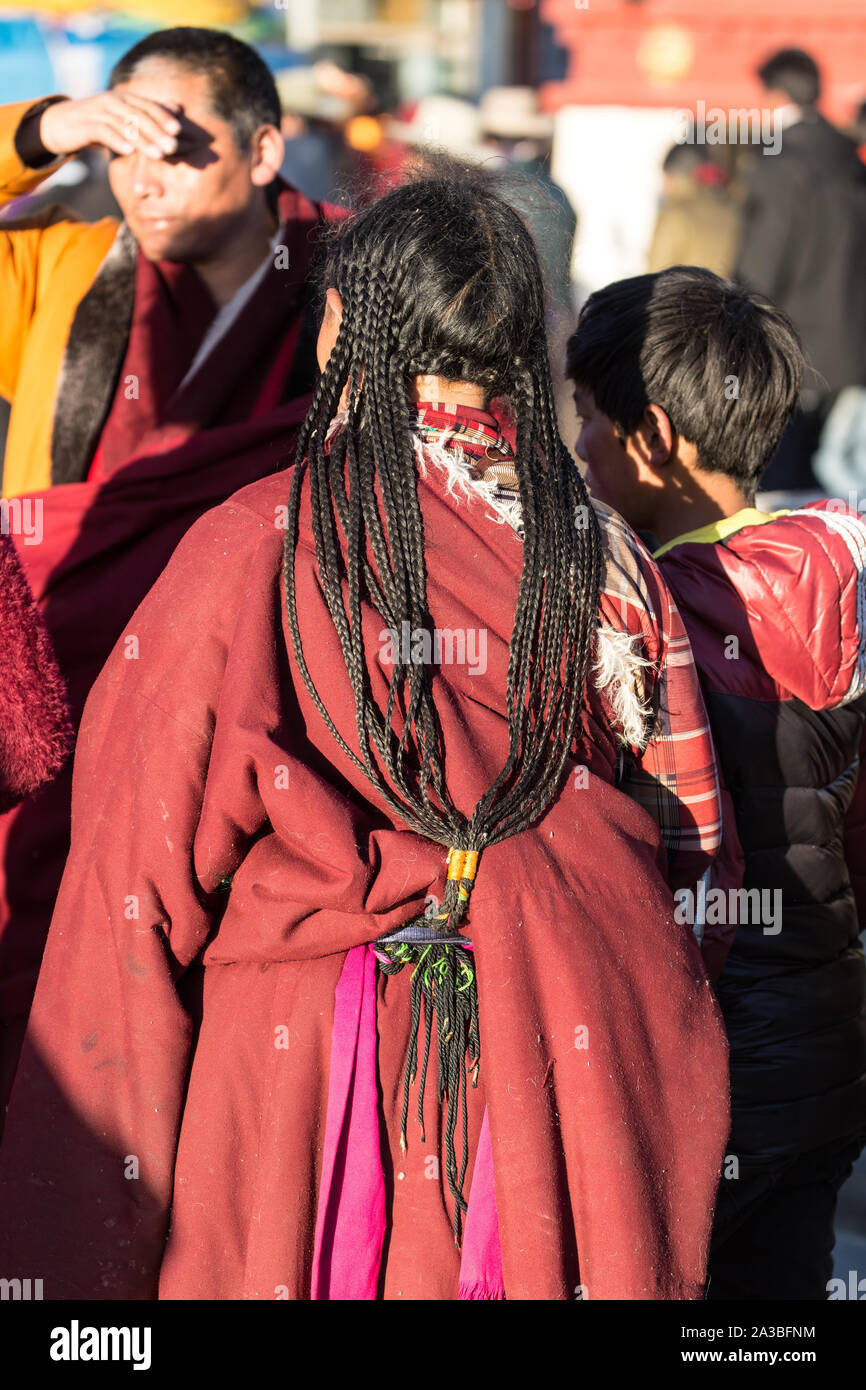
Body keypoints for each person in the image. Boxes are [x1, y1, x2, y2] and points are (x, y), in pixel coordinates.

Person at [0, 169, 733, 1301]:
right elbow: (693, 858)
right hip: (565, 1047)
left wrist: (81, 1245)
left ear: (347, 324)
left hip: (308, 1074)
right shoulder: (605, 552)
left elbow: (130, 896)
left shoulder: (260, 540)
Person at [0, 26, 337, 1114]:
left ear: (265, 151)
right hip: (54, 684)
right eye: (123, 146)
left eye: (177, 146)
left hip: (228, 703)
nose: (141, 177)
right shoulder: (59, 262)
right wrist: (47, 130)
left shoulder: (338, 289)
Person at [566, 265, 866, 1301]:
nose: (578, 452)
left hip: (704, 1066)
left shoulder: (643, 612)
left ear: (651, 437)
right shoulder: (835, 566)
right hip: (825, 1052)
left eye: (587, 424)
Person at [735, 48, 866, 493]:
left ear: (775, 96)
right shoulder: (851, 161)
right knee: (843, 465)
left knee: (787, 480)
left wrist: (739, 320)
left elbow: (763, 266)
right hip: (854, 347)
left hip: (795, 346)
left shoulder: (781, 165)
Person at [648, 144, 739, 279]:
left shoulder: (676, 214)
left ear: (675, 175)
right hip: (725, 297)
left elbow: (655, 276)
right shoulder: (729, 211)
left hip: (680, 298)